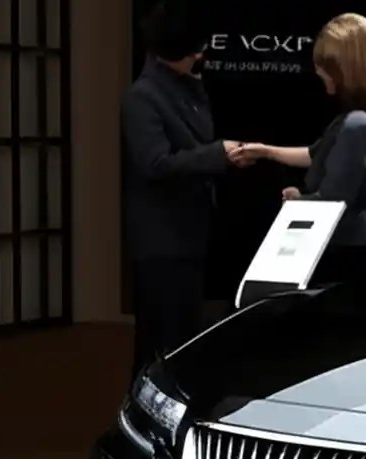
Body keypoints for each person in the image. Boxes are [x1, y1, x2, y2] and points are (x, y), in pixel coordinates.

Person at [121, 0, 249, 378]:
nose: (200, 56)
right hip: (160, 241)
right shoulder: (140, 98)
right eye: (194, 51)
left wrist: (218, 153)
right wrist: (216, 155)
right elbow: (155, 164)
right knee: (158, 341)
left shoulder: (187, 87)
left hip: (190, 233)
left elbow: (199, 138)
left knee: (185, 337)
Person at [232, 13, 366, 285]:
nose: (318, 71)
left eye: (325, 67)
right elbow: (316, 154)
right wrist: (265, 151)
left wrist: (297, 201)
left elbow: (334, 202)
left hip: (350, 251)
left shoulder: (356, 124)